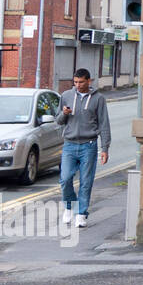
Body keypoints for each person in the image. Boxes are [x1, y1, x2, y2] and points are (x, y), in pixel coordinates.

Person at [55, 68, 111, 229]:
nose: (78, 85)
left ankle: (81, 214)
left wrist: (105, 148)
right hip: (69, 145)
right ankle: (68, 206)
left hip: (89, 145)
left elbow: (104, 124)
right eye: (75, 82)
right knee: (65, 179)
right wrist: (64, 113)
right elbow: (58, 121)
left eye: (81, 82)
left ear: (89, 81)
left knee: (86, 181)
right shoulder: (66, 96)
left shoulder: (98, 99)